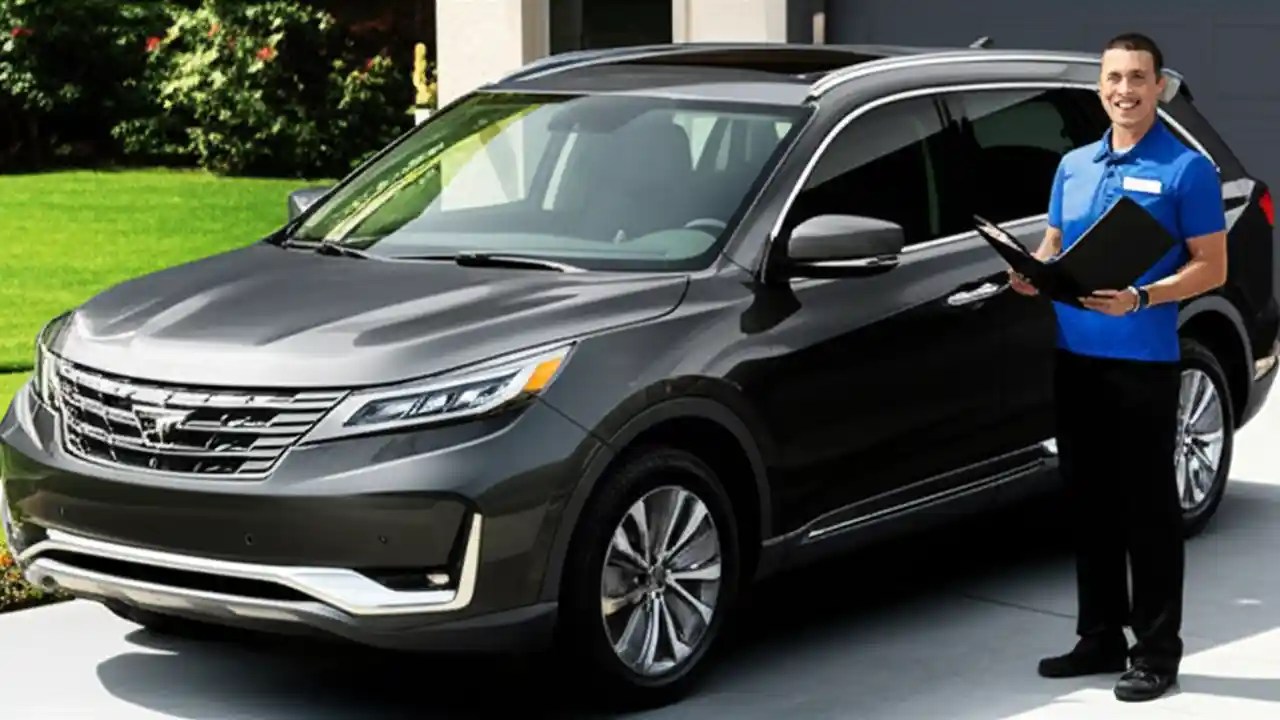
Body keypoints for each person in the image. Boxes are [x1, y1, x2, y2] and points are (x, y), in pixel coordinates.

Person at [1010, 32, 1228, 702]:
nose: (1124, 91)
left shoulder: (1186, 170)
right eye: (1113, 78)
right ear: (1099, 86)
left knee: (1147, 513)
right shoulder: (1074, 164)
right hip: (1075, 358)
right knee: (1089, 504)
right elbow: (1055, 240)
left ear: (1158, 86)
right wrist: (1031, 270)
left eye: (1137, 78)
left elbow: (1212, 266)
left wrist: (1143, 296)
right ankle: (1100, 636)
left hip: (1142, 364)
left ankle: (1156, 653)